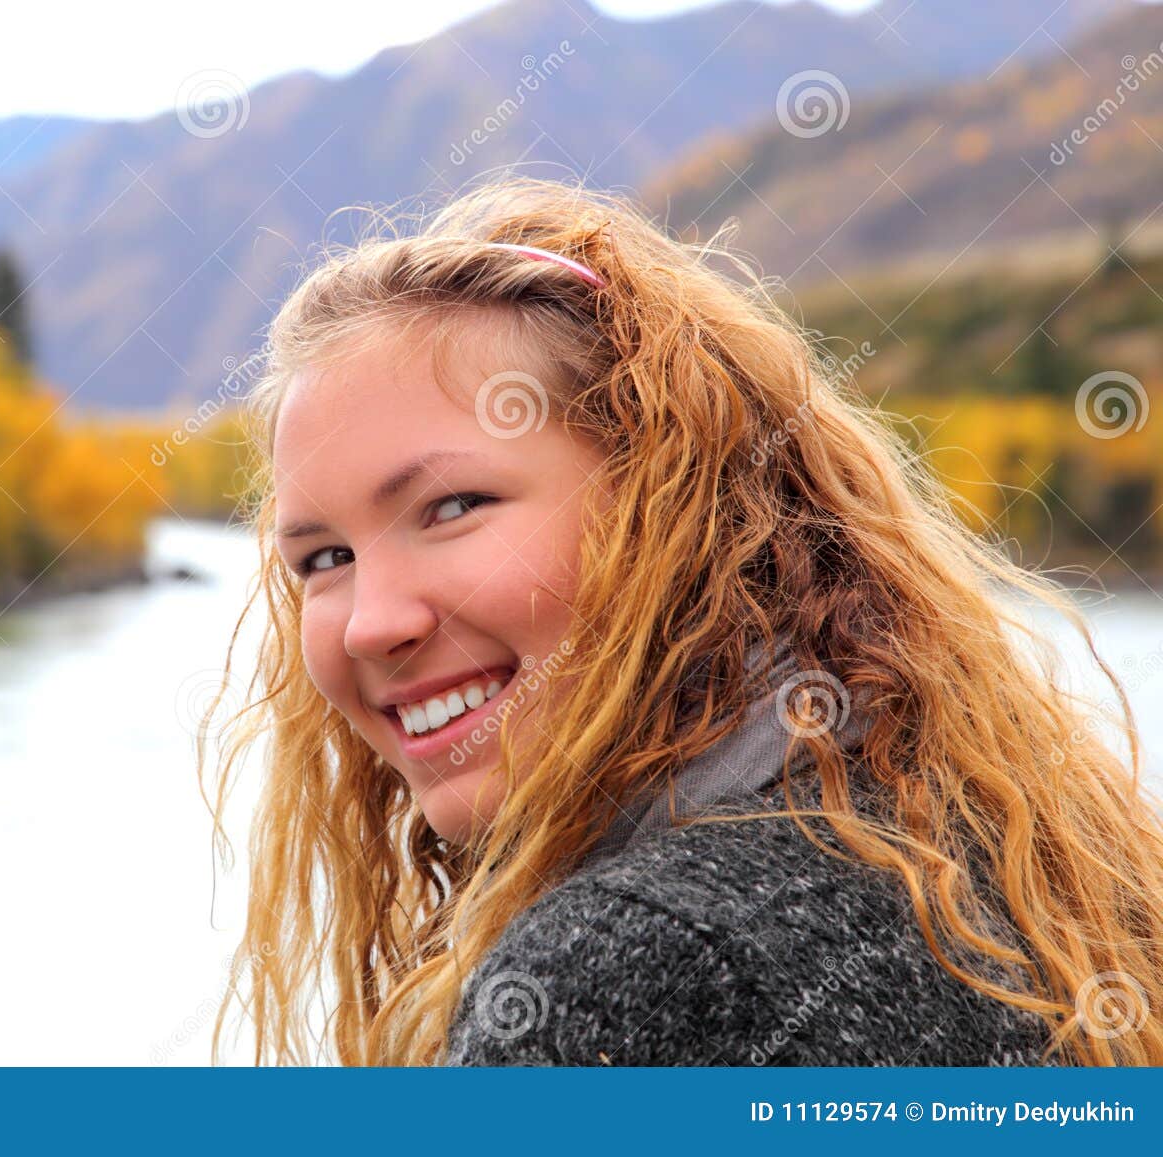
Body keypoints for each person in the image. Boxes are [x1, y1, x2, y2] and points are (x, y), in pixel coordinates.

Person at [195, 174, 1163, 1066]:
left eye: (451, 507)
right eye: (324, 558)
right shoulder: (996, 858)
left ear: (675, 507)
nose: (369, 625)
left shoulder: (622, 975)